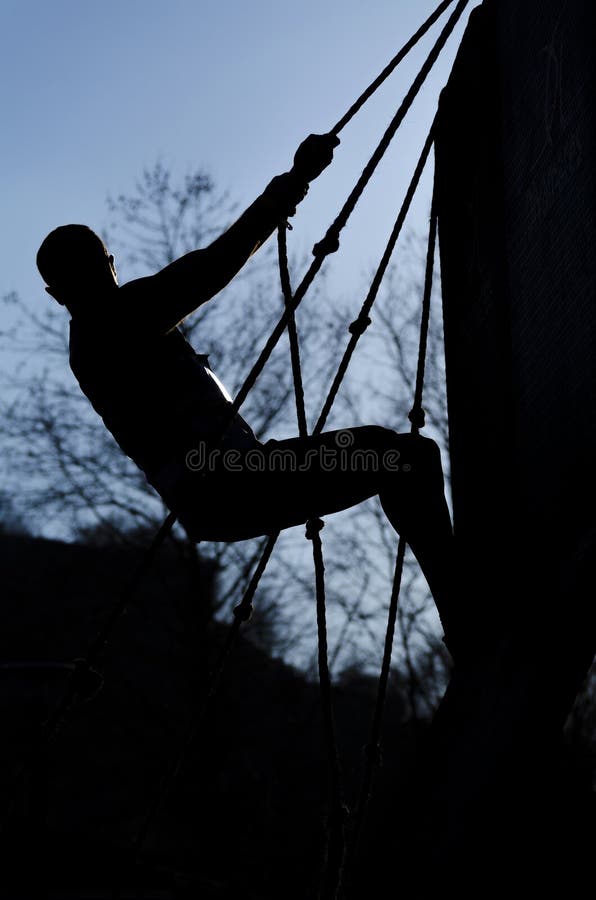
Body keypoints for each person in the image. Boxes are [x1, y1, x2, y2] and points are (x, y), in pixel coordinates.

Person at [36, 133, 455, 640]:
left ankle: (464, 613)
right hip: (228, 480)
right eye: (97, 270)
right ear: (75, 286)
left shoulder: (101, 336)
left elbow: (201, 273)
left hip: (233, 479)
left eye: (103, 268)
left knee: (396, 455)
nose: (107, 278)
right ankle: (465, 616)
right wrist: (295, 183)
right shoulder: (114, 324)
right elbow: (211, 267)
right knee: (404, 459)